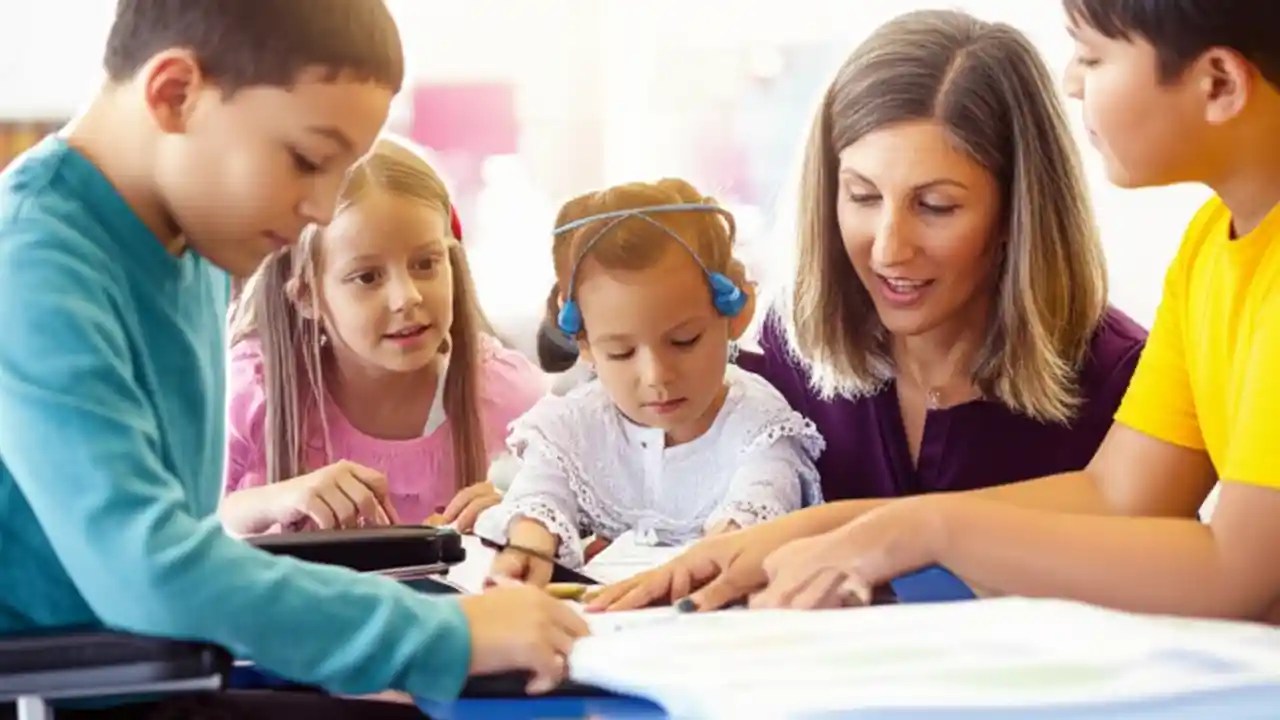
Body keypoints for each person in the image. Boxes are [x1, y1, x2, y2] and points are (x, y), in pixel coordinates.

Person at [591, 0, 1280, 623]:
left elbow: (1239, 572)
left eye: (1093, 56)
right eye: (863, 196)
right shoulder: (1210, 245)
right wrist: (815, 530)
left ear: (1219, 82)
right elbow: (1117, 498)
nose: (1072, 81)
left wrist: (925, 532)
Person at [0, 2, 585, 717]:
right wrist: (446, 635)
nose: (324, 209)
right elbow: (145, 569)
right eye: (308, 160)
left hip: (169, 674)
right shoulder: (32, 263)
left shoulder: (188, 232)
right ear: (176, 94)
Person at [474, 180, 825, 585]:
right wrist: (529, 547)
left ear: (736, 314)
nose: (657, 376)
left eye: (684, 341)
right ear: (583, 343)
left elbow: (759, 503)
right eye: (620, 353)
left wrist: (719, 550)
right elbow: (540, 494)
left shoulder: (759, 427)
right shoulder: (573, 427)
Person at [221, 136, 547, 535]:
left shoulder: (509, 397)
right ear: (307, 296)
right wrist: (276, 500)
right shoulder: (252, 393)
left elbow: (586, 518)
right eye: (367, 277)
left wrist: (522, 514)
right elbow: (183, 524)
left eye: (425, 264)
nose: (407, 297)